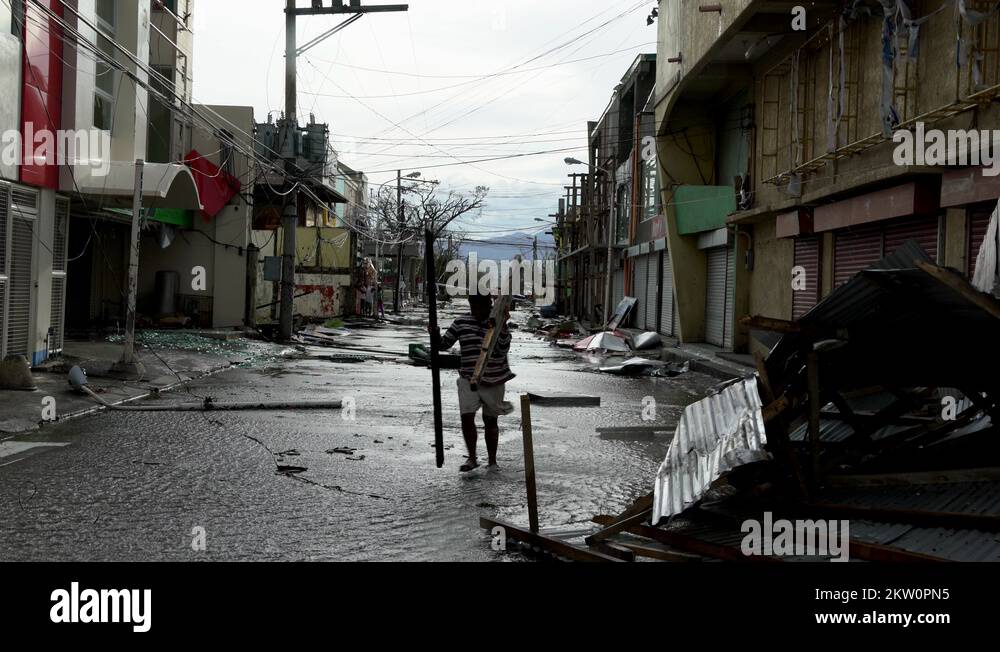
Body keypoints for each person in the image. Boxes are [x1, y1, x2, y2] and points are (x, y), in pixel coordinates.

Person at [436, 294, 515, 472]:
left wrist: (502, 326)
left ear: (489, 305)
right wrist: (434, 334)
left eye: (483, 307)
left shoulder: (497, 322)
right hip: (467, 378)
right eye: (475, 307)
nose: (478, 311)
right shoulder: (461, 322)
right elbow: (443, 344)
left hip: (493, 380)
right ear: (470, 305)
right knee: (467, 418)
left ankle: (492, 461)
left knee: (490, 420)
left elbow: (503, 348)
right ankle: (472, 458)